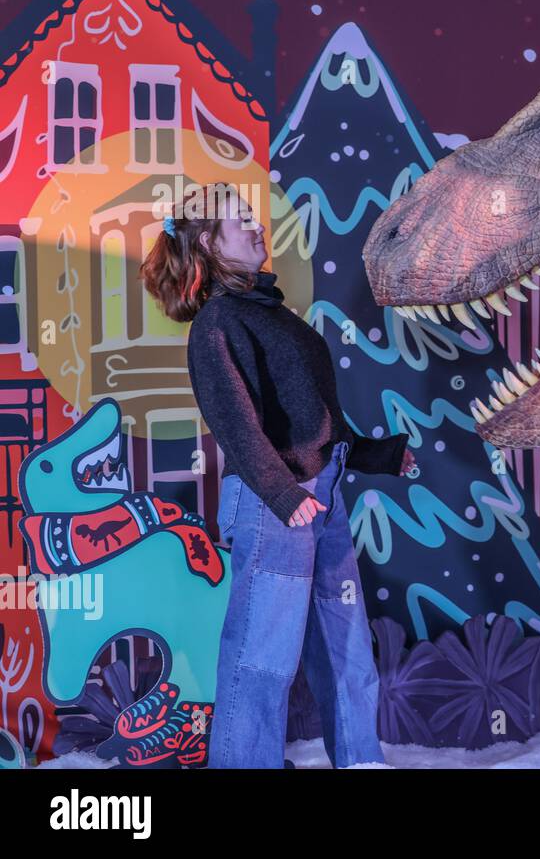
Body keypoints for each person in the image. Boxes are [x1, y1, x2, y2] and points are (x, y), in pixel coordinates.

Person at [140, 183, 413, 768]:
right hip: (276, 506)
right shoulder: (218, 323)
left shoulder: (271, 314)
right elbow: (236, 427)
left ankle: (363, 762)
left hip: (319, 498)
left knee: (347, 655)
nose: (257, 227)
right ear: (210, 243)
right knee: (260, 661)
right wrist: (285, 496)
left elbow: (312, 427)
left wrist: (377, 457)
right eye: (241, 221)